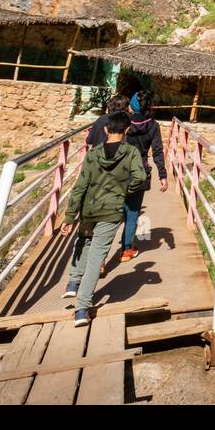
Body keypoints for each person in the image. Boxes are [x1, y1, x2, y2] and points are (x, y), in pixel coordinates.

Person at [61, 111, 146, 327]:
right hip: (111, 210)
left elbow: (80, 186)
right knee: (97, 255)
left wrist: (70, 216)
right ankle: (82, 307)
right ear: (127, 130)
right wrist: (124, 190)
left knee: (83, 242)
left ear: (106, 129)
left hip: (89, 207)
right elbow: (140, 177)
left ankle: (72, 282)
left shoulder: (93, 154)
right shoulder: (131, 153)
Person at [119, 89, 167, 261]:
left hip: (119, 171)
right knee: (133, 212)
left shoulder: (122, 122)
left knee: (111, 213)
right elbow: (158, 152)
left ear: (132, 105)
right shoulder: (153, 125)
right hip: (140, 172)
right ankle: (126, 249)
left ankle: (100, 259)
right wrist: (163, 175)